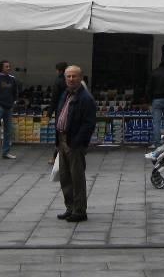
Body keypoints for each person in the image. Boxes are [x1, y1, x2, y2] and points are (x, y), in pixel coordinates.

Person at [54, 65, 96, 222]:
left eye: (74, 76)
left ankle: (79, 211)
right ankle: (70, 207)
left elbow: (89, 124)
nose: (71, 79)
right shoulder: (65, 94)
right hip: (63, 140)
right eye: (68, 76)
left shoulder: (86, 99)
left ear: (81, 78)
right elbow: (60, 116)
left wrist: (77, 142)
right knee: (65, 177)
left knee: (77, 178)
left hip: (74, 144)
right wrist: (58, 142)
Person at [0, 60, 21, 161]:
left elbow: (15, 91)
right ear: (1, 68)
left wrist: (14, 101)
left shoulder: (12, 79)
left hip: (8, 107)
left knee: (8, 131)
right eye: (6, 66)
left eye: (9, 66)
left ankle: (6, 152)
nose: (9, 68)